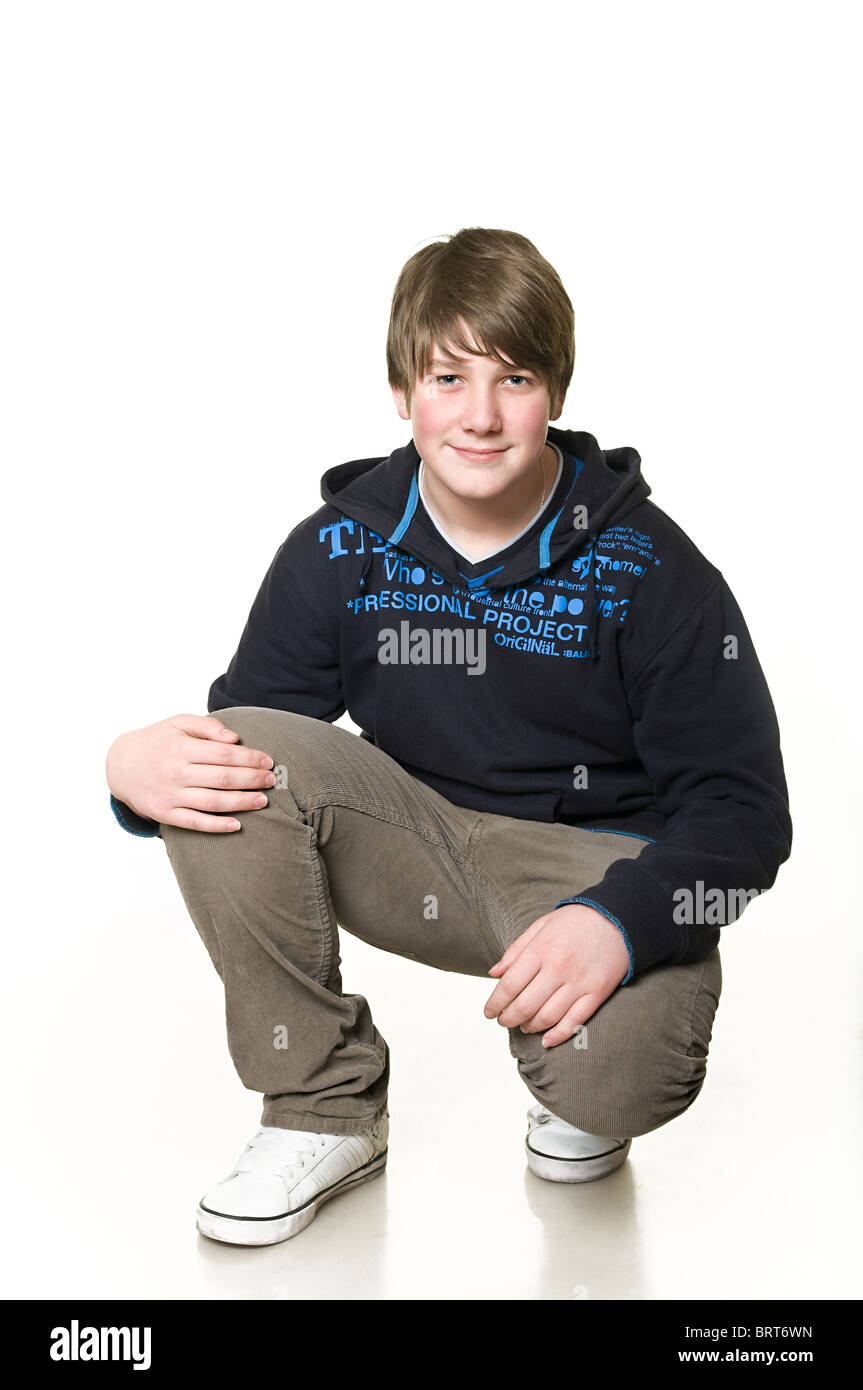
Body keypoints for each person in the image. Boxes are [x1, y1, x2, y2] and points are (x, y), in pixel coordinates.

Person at [105, 227, 792, 1247]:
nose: (478, 414)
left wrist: (623, 919)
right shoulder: (341, 546)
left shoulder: (646, 565)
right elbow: (250, 744)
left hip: (587, 866)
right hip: (412, 838)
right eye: (446, 376)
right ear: (401, 391)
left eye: (513, 377)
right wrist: (131, 775)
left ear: (553, 392)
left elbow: (745, 817)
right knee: (235, 755)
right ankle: (321, 1105)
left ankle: (579, 1078)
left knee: (619, 1075)